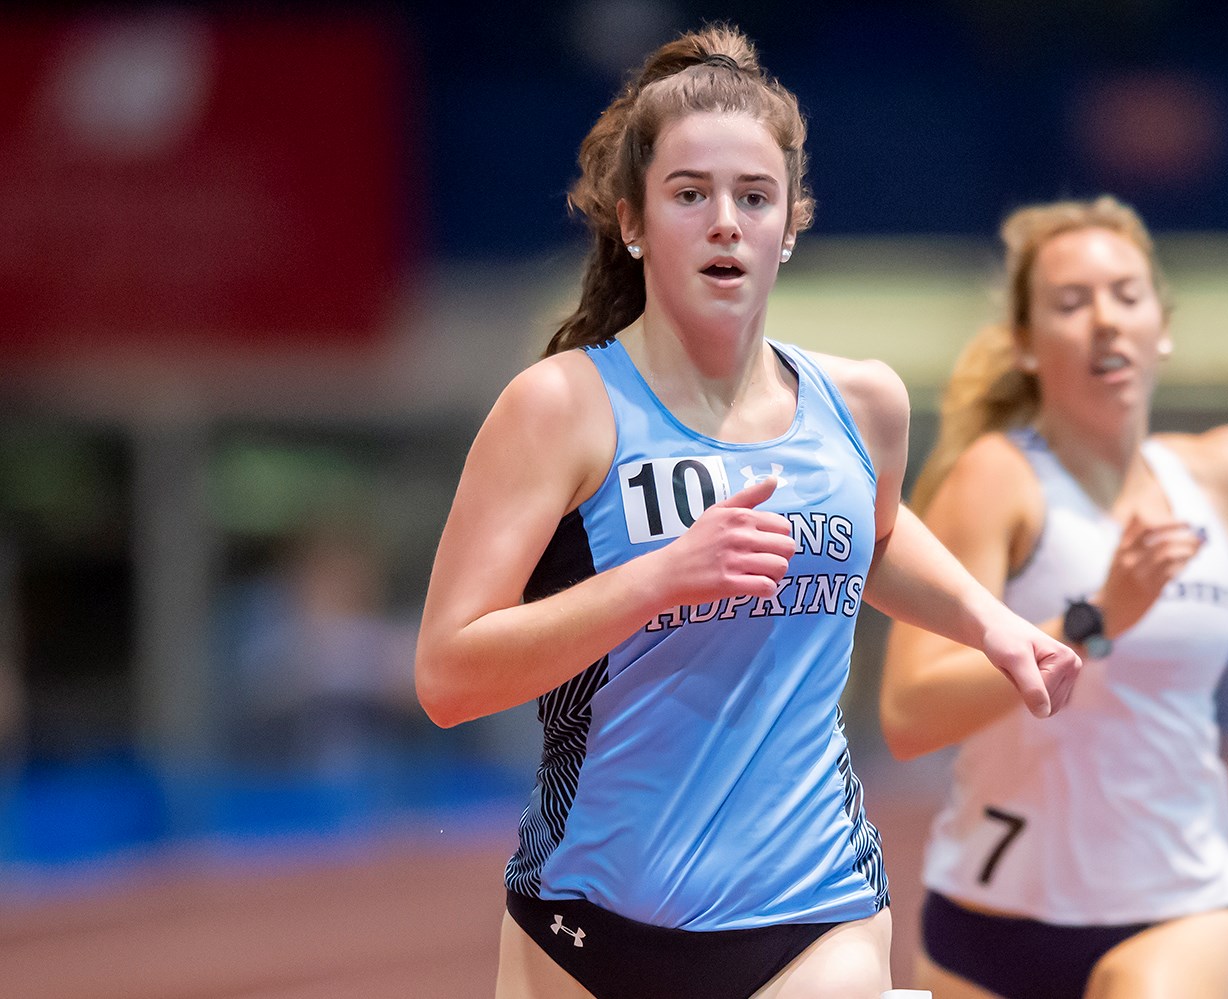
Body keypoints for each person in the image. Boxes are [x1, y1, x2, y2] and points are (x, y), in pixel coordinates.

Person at [414, 25, 1080, 999]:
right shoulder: (561, 410)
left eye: (754, 198)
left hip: (812, 912)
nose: (726, 222)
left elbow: (874, 534)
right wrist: (661, 577)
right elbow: (447, 678)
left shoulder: (864, 405)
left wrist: (994, 625)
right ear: (632, 220)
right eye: (690, 195)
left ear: (791, 223)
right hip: (587, 926)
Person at [881, 196, 1228, 999]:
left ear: (1163, 327)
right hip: (989, 919)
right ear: (1026, 346)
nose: (1105, 321)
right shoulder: (997, 482)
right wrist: (1094, 620)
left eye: (1127, 295)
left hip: (1176, 905)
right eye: (1071, 304)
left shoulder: (1220, 476)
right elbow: (910, 715)